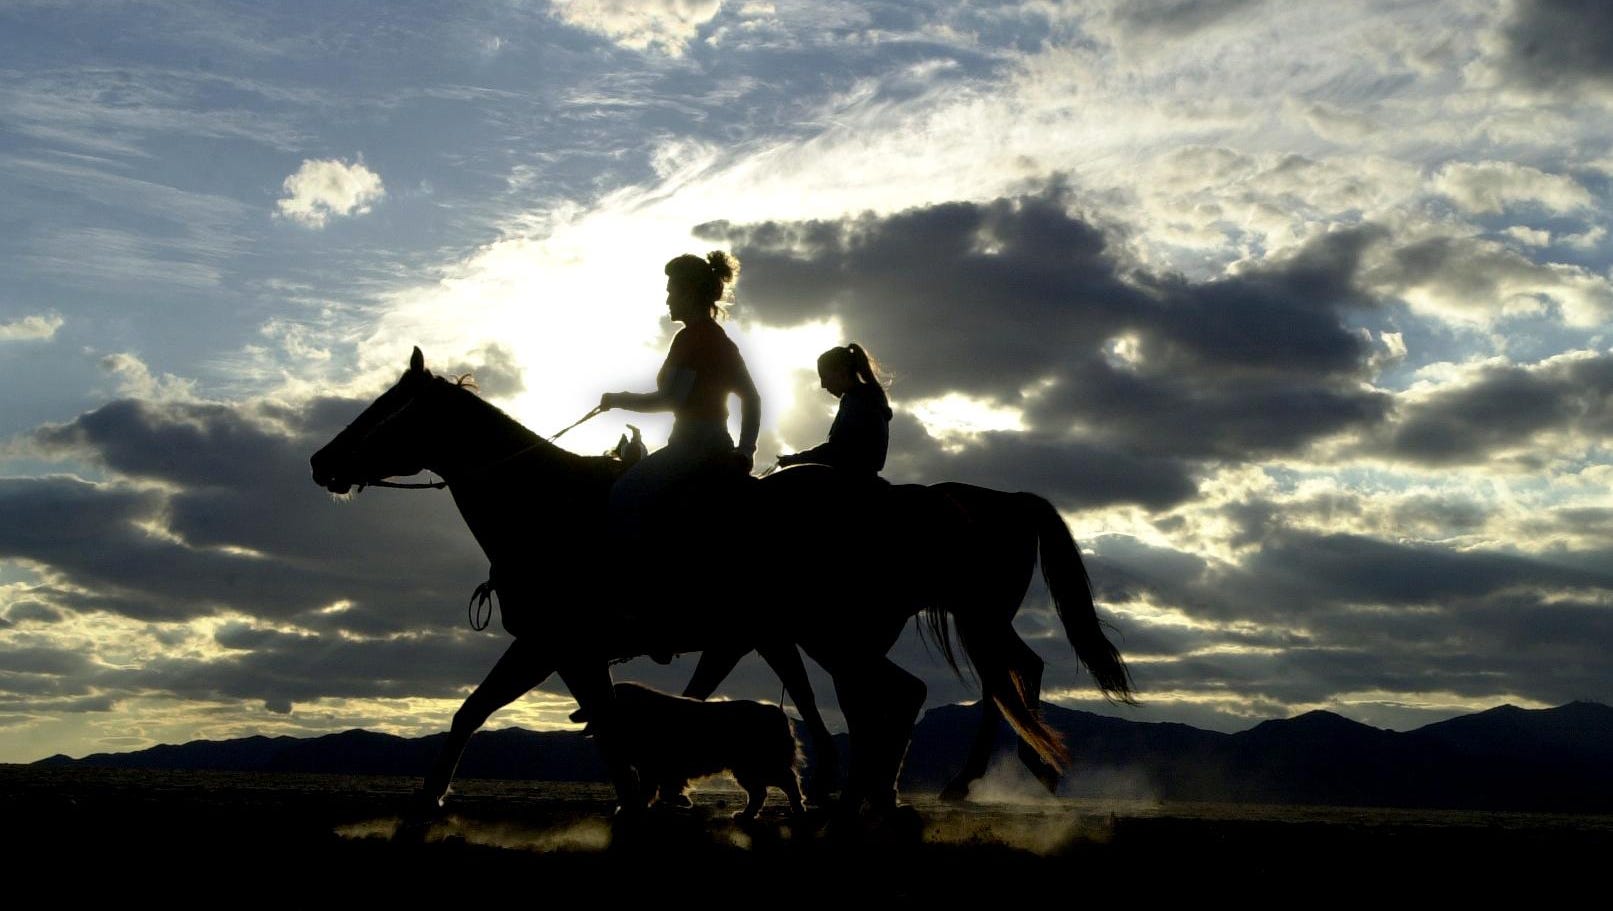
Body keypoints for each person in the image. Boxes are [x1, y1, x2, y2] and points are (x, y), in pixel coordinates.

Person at [599, 251, 760, 545]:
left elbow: (670, 401)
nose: (667, 301)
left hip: (692, 447)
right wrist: (745, 451)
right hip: (717, 444)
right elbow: (752, 398)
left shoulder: (693, 339)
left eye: (671, 292)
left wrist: (619, 399)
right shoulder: (721, 341)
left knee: (624, 494)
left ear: (689, 293)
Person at [777, 343, 891, 480]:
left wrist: (794, 460)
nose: (823, 385)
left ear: (841, 372)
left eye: (824, 377)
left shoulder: (858, 401)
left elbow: (836, 451)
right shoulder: (864, 398)